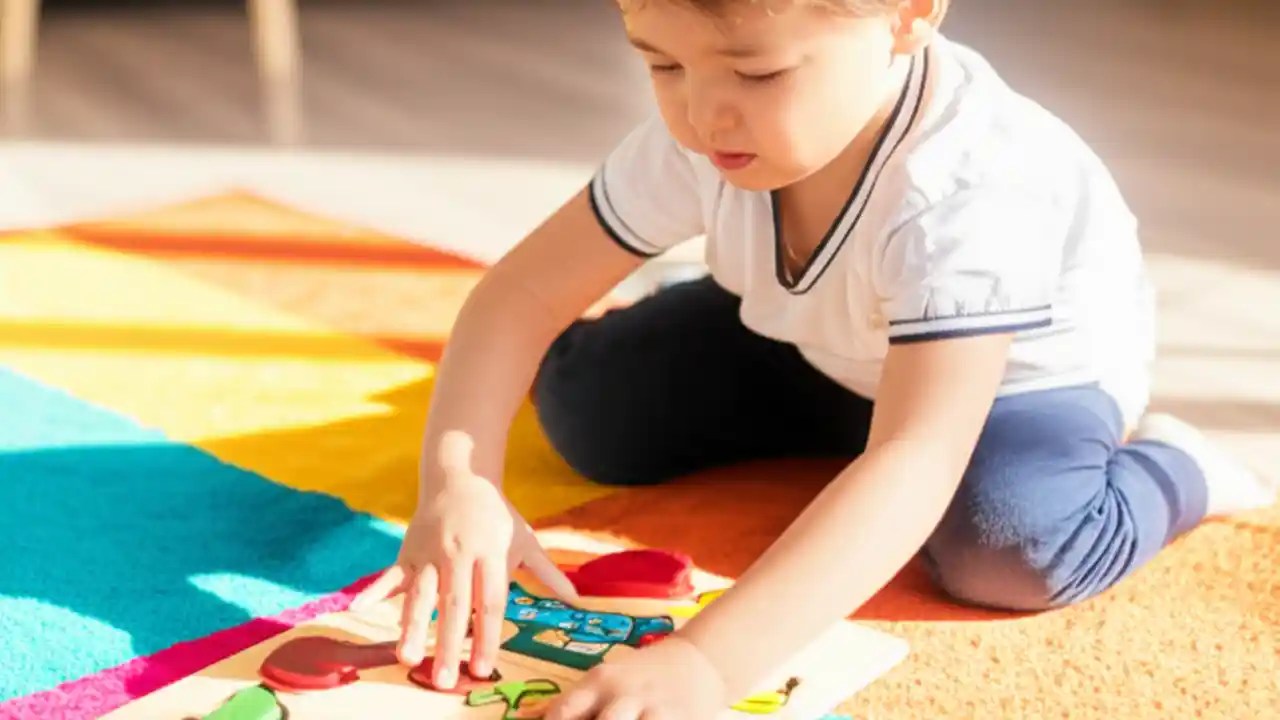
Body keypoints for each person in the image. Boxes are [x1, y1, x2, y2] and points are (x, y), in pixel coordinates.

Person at [352, 1, 1275, 718]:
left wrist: (704, 663)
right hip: (820, 342)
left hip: (1014, 382)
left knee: (1014, 550)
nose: (702, 111)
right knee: (584, 406)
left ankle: (1181, 465)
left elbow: (916, 458)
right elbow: (518, 295)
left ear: (907, 16)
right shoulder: (708, 132)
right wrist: (457, 479)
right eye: (661, 63)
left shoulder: (970, 186)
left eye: (759, 70)